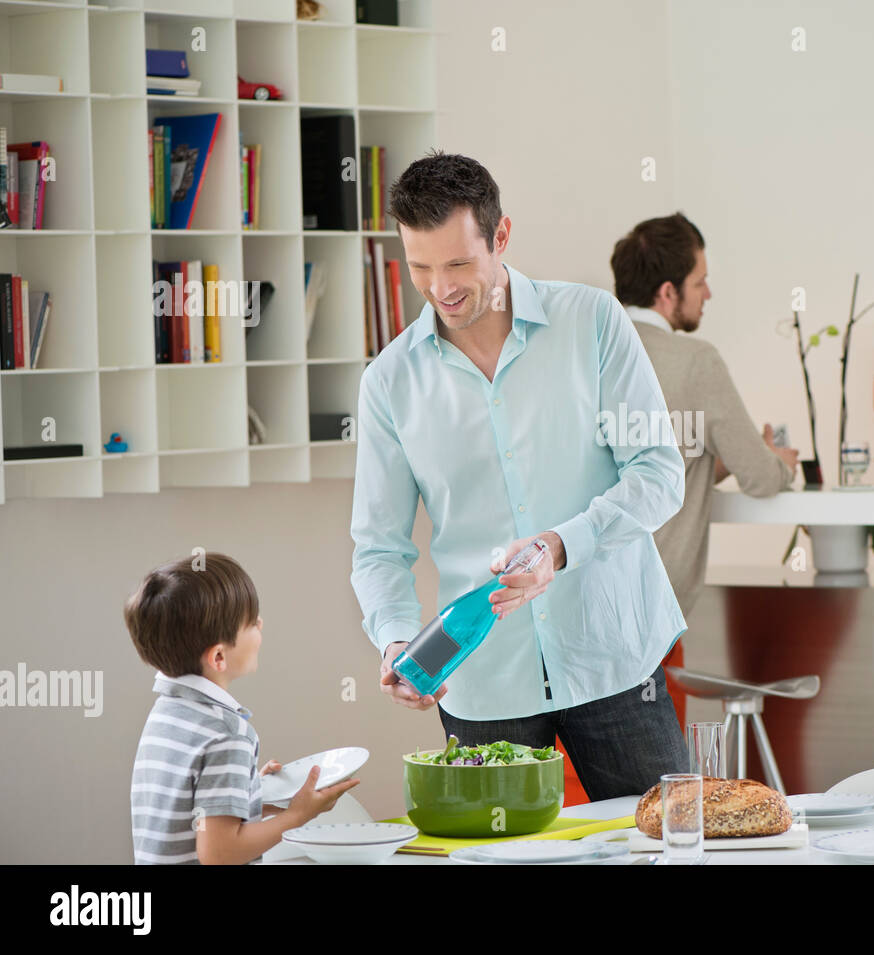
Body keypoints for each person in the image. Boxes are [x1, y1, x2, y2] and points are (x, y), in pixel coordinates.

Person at [350, 152, 689, 801]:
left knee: (664, 845)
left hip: (614, 658)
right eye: (419, 266)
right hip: (483, 683)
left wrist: (561, 546)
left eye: (457, 264)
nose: (439, 287)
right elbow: (378, 546)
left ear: (501, 236)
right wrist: (394, 639)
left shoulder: (592, 322)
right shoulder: (390, 382)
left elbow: (658, 473)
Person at [610, 212, 798, 728]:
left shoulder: (589, 350)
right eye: (700, 281)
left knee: (578, 789)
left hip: (570, 604)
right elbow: (759, 477)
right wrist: (779, 462)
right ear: (668, 293)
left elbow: (643, 469)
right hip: (651, 615)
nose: (708, 293)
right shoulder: (694, 359)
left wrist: (705, 465)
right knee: (658, 786)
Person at [124, 553, 358, 864]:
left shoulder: (166, 713)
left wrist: (249, 792)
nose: (260, 624)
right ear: (219, 657)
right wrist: (297, 816)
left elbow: (193, 812)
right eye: (250, 623)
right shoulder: (226, 734)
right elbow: (220, 854)